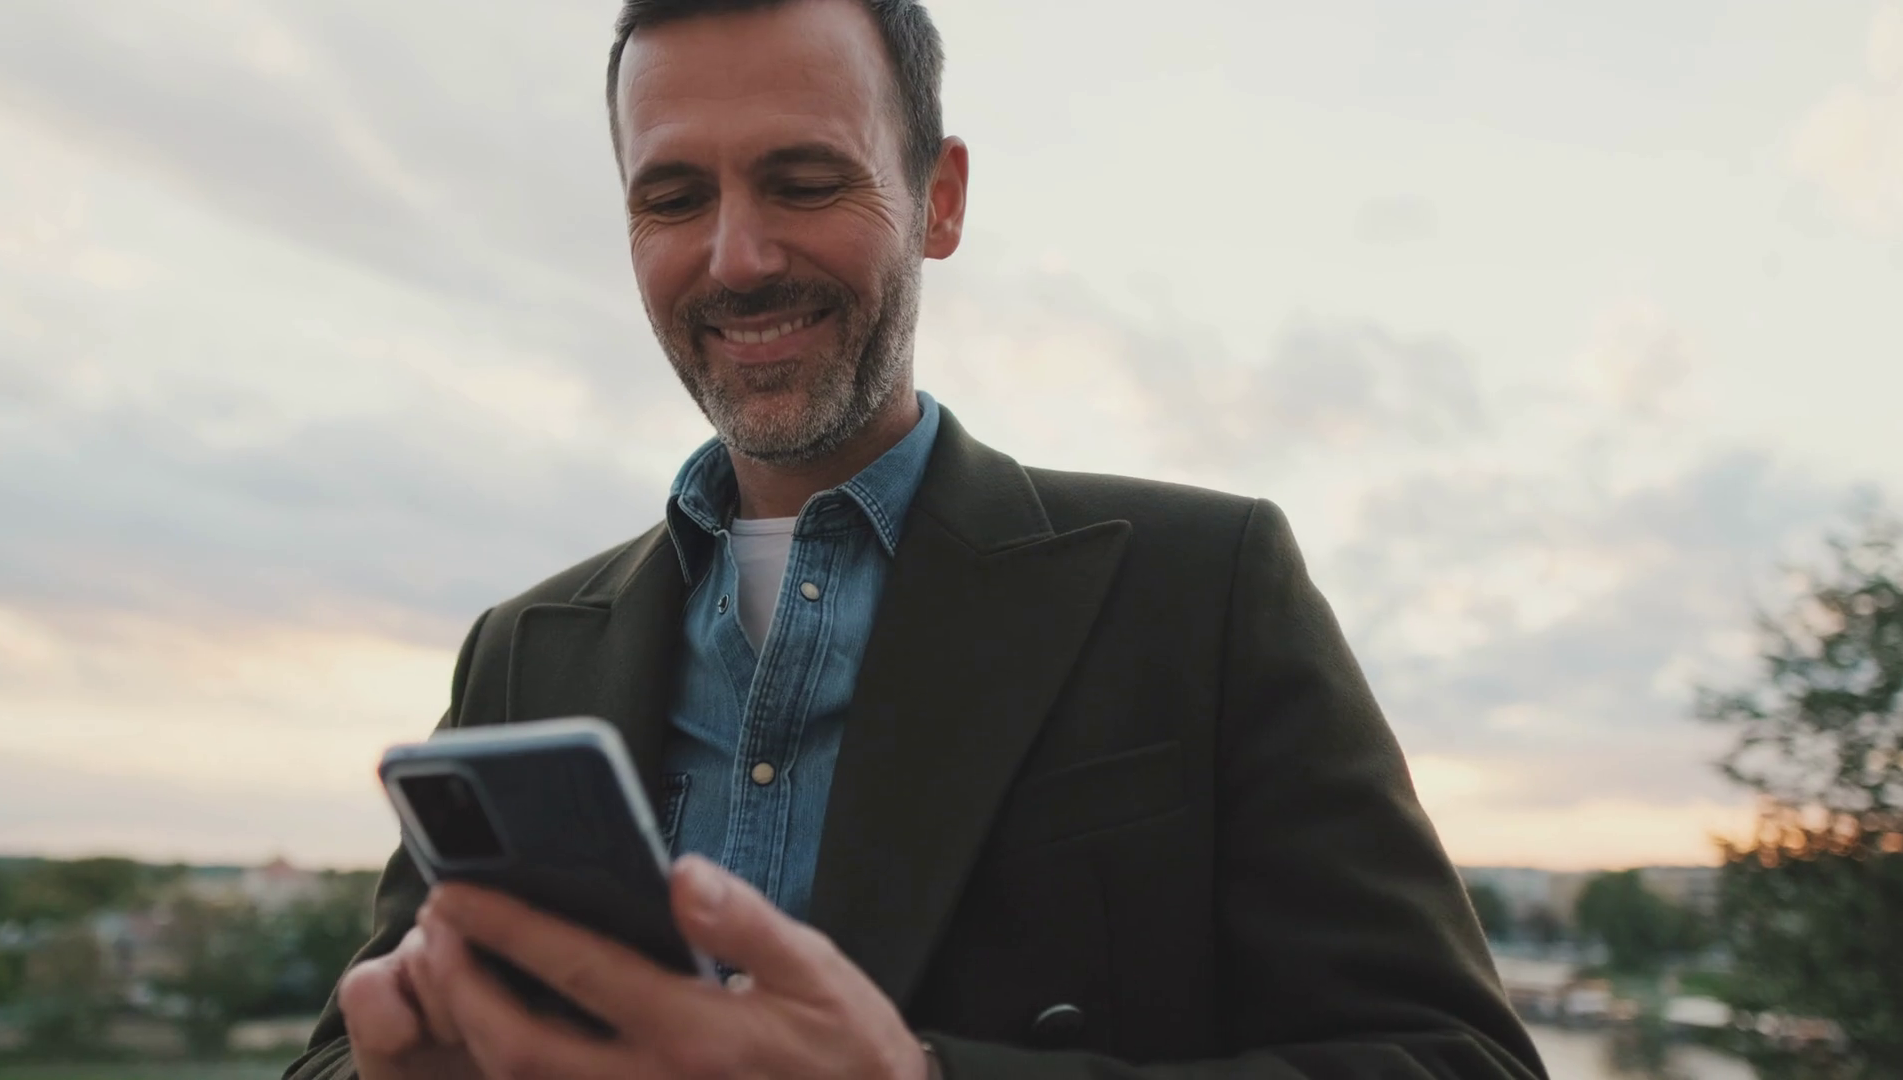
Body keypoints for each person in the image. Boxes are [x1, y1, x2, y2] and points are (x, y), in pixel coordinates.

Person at [285, 0, 1547, 1077]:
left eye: (804, 180)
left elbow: (1459, 1062)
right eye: (673, 198)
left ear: (938, 200)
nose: (737, 257)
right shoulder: (520, 651)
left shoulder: (1200, 590)